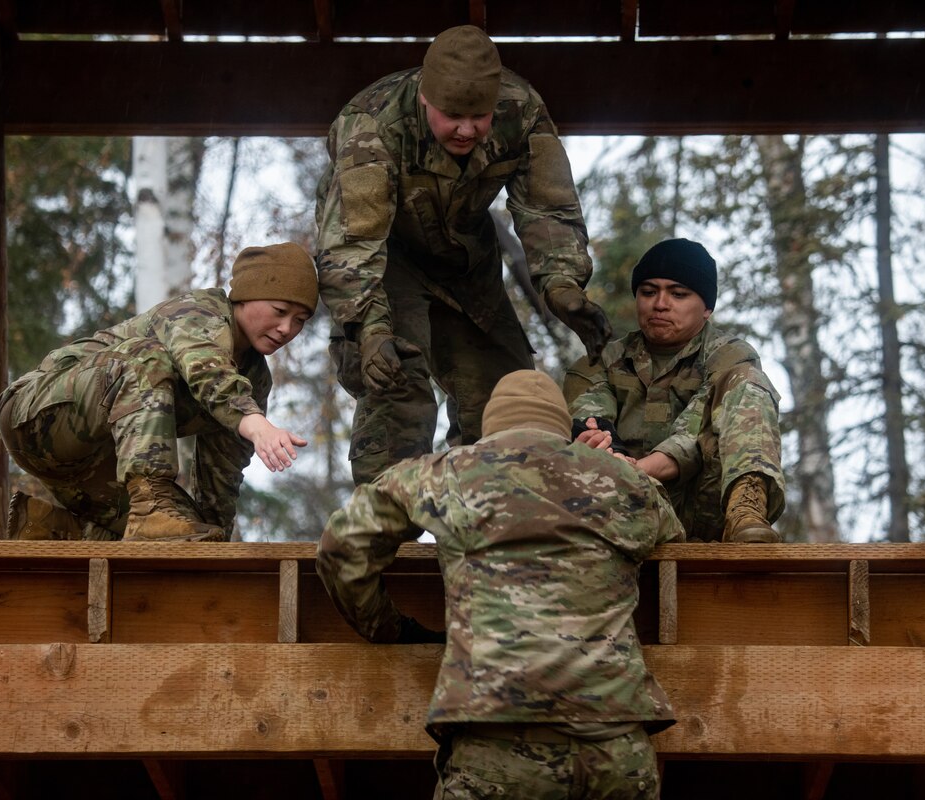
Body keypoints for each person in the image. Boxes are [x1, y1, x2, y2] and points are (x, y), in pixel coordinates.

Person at [317, 370, 681, 799]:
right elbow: (671, 534)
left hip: (499, 744)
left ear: (492, 425)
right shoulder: (625, 481)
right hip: (617, 747)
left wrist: (387, 628)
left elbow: (344, 545)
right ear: (560, 423)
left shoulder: (445, 471)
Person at [315, 24, 611, 486]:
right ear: (425, 100)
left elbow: (545, 206)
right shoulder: (371, 126)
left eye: (480, 116)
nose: (467, 129)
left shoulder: (522, 109)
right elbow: (352, 246)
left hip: (467, 262)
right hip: (386, 262)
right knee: (396, 378)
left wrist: (562, 285)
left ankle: (499, 519)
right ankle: (386, 529)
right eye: (453, 115)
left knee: (509, 391)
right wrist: (369, 329)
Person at [0, 242, 317, 543]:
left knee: (187, 533)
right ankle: (149, 508)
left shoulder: (254, 380)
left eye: (300, 320)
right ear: (245, 296)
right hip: (38, 414)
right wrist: (256, 424)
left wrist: (216, 539)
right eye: (279, 311)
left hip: (99, 458)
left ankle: (50, 531)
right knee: (147, 357)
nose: (287, 329)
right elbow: (209, 373)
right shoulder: (198, 313)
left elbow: (222, 472)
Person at [566, 238, 786, 543]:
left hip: (704, 510)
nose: (660, 304)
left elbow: (693, 438)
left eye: (678, 294)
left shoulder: (729, 357)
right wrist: (602, 448)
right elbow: (590, 418)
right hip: (623, 505)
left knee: (748, 382)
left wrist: (637, 469)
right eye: (648, 292)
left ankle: (746, 510)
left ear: (707, 308)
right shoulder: (600, 361)